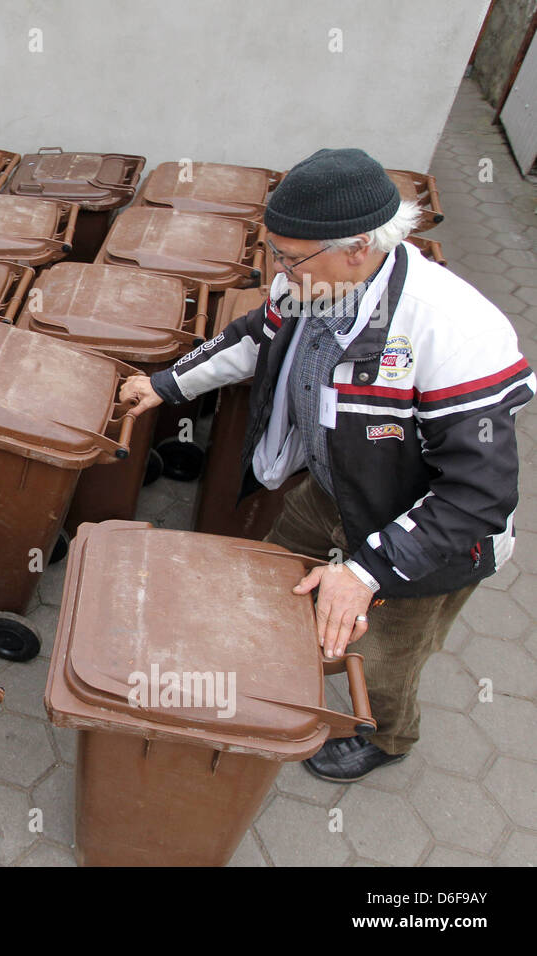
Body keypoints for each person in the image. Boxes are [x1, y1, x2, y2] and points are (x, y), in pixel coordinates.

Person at [120, 148, 535, 781]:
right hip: (333, 490)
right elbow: (255, 337)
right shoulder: (312, 281)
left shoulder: (454, 332)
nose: (278, 271)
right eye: (275, 252)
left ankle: (388, 738)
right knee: (274, 583)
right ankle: (271, 678)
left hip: (429, 537)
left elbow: (478, 496)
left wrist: (366, 572)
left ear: (359, 248)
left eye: (289, 257)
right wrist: (165, 385)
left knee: (384, 656)